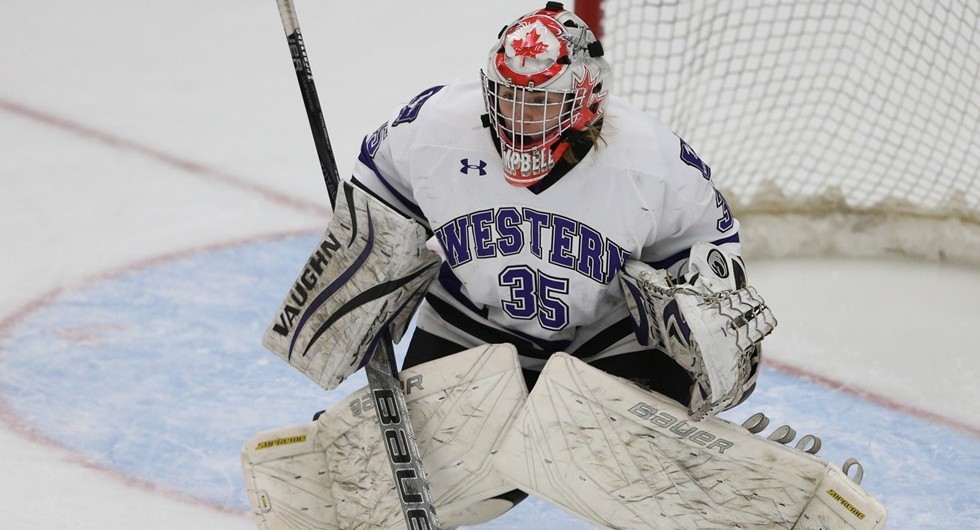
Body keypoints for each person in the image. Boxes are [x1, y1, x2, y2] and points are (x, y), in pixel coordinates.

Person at [349, 1, 748, 405]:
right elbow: (375, 196)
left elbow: (707, 245)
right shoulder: (435, 126)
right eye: (508, 94)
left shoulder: (652, 160)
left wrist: (703, 312)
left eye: (540, 101)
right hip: (465, 325)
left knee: (609, 461)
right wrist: (368, 264)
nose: (519, 116)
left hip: (604, 342)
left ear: (586, 100)